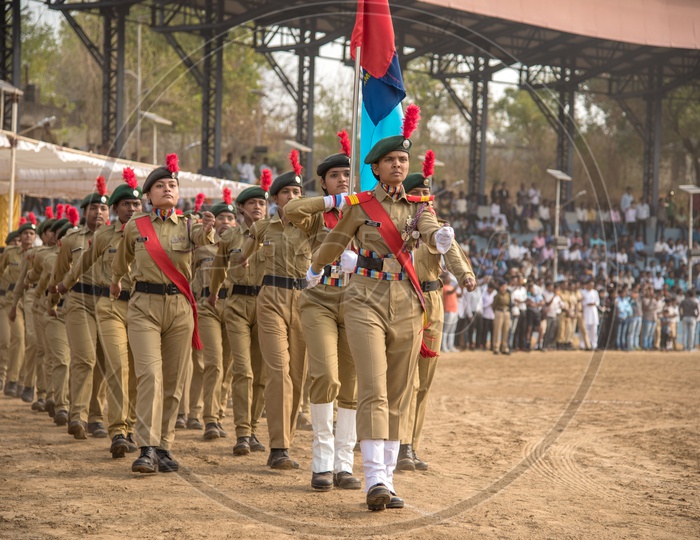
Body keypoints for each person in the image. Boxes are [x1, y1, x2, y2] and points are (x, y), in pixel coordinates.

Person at [304, 105, 454, 511]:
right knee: (372, 386)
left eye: (404, 159)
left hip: (407, 301)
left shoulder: (421, 207)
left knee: (398, 393)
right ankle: (373, 478)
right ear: (377, 166)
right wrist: (316, 269)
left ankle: (387, 475)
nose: (399, 165)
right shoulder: (361, 205)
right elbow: (334, 241)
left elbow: (434, 234)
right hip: (364, 297)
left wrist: (450, 252)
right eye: (391, 160)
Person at [111, 154, 215, 474]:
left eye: (172, 185)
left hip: (180, 308)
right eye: (160, 185)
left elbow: (203, 240)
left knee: (173, 380)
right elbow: (121, 262)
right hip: (143, 306)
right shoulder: (135, 226)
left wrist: (208, 229)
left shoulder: (189, 223)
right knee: (150, 375)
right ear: (148, 194)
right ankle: (145, 447)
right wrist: (117, 282)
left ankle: (164, 446)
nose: (167, 189)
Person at [284, 133, 362, 491]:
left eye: (346, 174)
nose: (342, 178)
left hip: (357, 301)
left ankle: (344, 463)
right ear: (324, 182)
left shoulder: (362, 212)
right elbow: (290, 210)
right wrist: (332, 201)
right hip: (318, 300)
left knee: (350, 384)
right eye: (335, 175)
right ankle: (322, 461)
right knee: (326, 376)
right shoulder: (319, 215)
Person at [393, 153, 476, 473]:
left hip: (432, 303)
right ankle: (395, 442)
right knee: (404, 379)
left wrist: (465, 274)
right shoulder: (396, 228)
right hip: (400, 300)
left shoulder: (438, 230)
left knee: (423, 381)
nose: (427, 205)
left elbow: (452, 251)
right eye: (421, 199)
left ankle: (410, 445)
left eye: (429, 199)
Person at [235, 151, 310, 471]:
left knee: (297, 375)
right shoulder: (263, 227)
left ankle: (287, 440)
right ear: (275, 199)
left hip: (305, 301)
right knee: (278, 371)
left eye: (297, 192)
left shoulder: (312, 226)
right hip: (271, 299)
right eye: (286, 193)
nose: (292, 197)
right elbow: (240, 255)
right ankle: (278, 446)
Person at [59, 169, 143, 457]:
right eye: (125, 205)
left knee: (131, 370)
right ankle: (88, 418)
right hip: (96, 303)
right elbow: (77, 264)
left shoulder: (150, 231)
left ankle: (125, 425)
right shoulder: (94, 237)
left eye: (136, 204)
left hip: (142, 307)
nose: (131, 209)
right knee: (93, 360)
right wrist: (62, 287)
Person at [209, 183, 269, 457]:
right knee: (242, 369)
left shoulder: (275, 234)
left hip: (267, 305)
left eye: (262, 203)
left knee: (261, 372)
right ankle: (242, 432)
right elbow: (218, 269)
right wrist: (213, 294)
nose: (258, 207)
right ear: (241, 208)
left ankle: (254, 429)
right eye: (252, 203)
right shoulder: (231, 237)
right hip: (236, 305)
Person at [50, 179, 111, 440]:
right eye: (93, 208)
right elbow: (59, 274)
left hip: (108, 304)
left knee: (104, 362)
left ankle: (97, 417)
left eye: (103, 209)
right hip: (78, 302)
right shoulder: (71, 239)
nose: (98, 213)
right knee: (85, 358)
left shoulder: (117, 237)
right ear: (84, 212)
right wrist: (51, 303)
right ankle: (78, 415)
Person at [195, 189, 236, 441]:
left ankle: (219, 415)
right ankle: (209, 418)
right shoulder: (200, 249)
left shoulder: (242, 247)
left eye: (231, 219)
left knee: (229, 367)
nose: (226, 223)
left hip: (233, 307)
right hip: (207, 307)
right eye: (221, 218)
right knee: (214, 362)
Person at [581, 280, 600, 350]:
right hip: (586, 311)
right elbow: (582, 302)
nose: (591, 286)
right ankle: (584, 344)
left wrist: (594, 303)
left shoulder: (595, 292)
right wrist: (587, 304)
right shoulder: (583, 292)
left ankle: (594, 345)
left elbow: (598, 301)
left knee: (594, 330)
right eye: (590, 285)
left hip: (593, 311)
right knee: (585, 329)